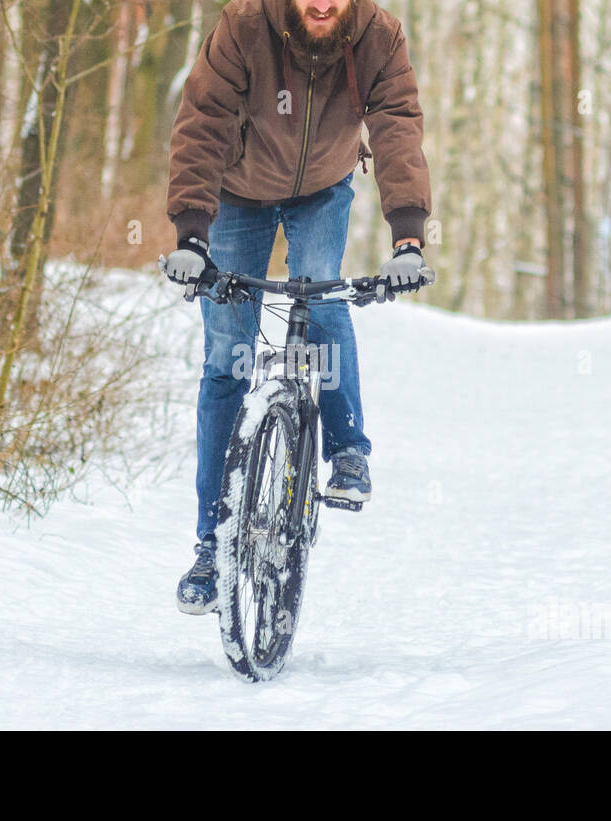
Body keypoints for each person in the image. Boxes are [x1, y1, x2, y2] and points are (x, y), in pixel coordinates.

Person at [161, 0, 433, 615]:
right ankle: (212, 544)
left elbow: (397, 126)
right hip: (235, 193)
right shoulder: (244, 25)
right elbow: (202, 119)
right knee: (227, 360)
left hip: (323, 189)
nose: (321, 4)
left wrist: (408, 239)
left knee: (320, 288)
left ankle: (346, 449)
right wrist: (193, 235)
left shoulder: (378, 36)